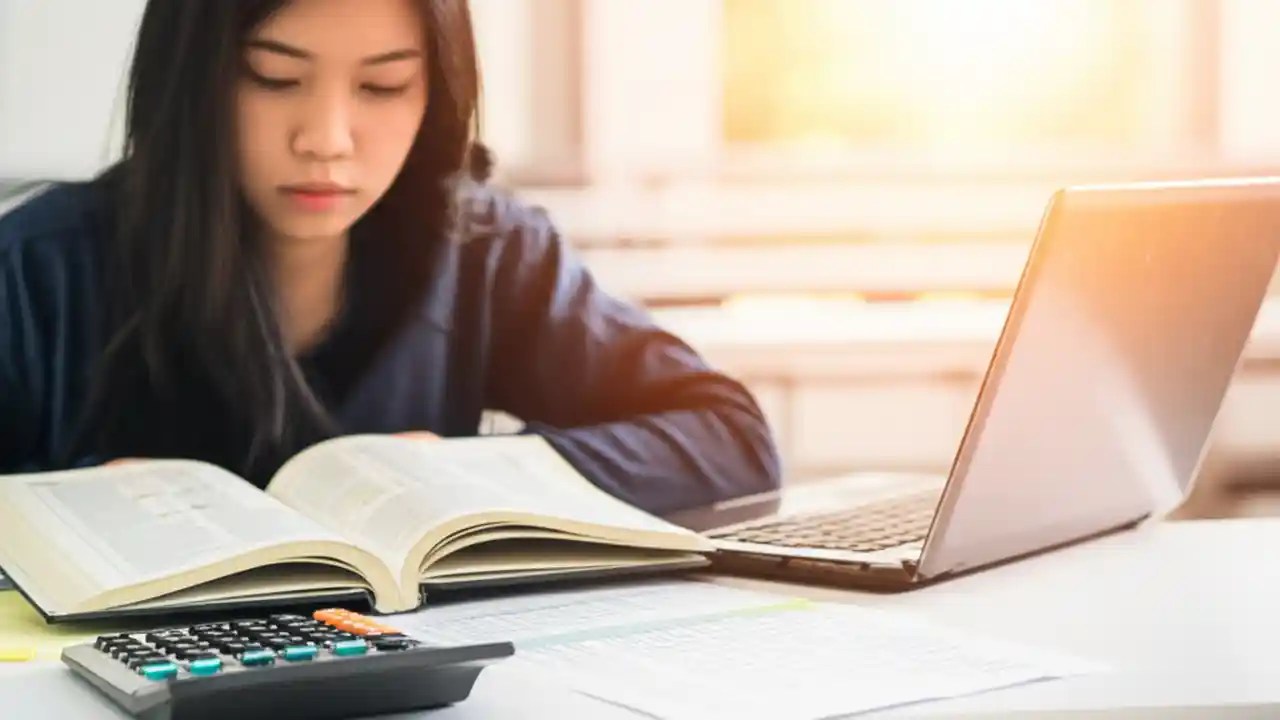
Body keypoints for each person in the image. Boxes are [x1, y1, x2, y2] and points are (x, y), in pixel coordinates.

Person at [0, 0, 779, 514]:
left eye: (383, 86)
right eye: (274, 78)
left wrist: (472, 473)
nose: (328, 138)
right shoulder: (36, 271)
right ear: (190, 79)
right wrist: (62, 509)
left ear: (434, 93)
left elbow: (732, 438)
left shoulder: (484, 253)